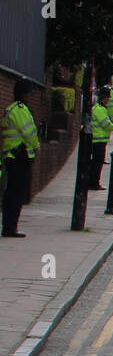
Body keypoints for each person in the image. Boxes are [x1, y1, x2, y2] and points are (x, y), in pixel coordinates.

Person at [2, 78, 41, 238]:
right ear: (24, 94)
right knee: (16, 193)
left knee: (12, 192)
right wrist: (37, 146)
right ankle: (10, 228)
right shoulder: (20, 110)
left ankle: (9, 226)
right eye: (29, 93)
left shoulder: (10, 108)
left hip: (12, 155)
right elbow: (29, 132)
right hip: (19, 156)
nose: (30, 97)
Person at [89, 84, 113, 190]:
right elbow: (106, 124)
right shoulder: (99, 109)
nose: (109, 100)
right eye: (108, 97)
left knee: (97, 162)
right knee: (97, 163)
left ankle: (93, 182)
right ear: (104, 97)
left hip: (99, 140)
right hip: (98, 140)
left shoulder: (99, 108)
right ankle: (94, 183)